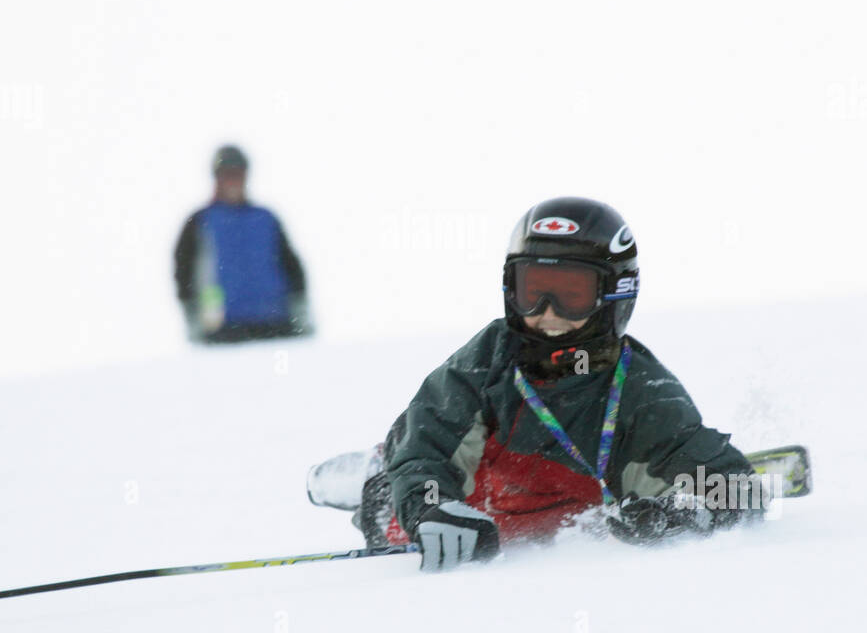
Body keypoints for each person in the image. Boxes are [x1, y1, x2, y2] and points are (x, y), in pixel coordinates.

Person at [308, 196, 765, 571]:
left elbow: (739, 490)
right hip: (464, 505)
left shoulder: (642, 393)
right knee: (399, 492)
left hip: (546, 515)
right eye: (534, 290)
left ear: (615, 293)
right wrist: (428, 506)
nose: (547, 311)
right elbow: (428, 439)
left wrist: (685, 514)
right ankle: (377, 476)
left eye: (571, 294)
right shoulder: (490, 359)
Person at [173, 145, 312, 344]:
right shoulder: (200, 222)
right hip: (221, 329)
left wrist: (300, 312)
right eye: (226, 174)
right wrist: (193, 317)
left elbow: (291, 266)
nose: (232, 181)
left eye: (237, 174)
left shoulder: (266, 219)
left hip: (275, 325)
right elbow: (184, 272)